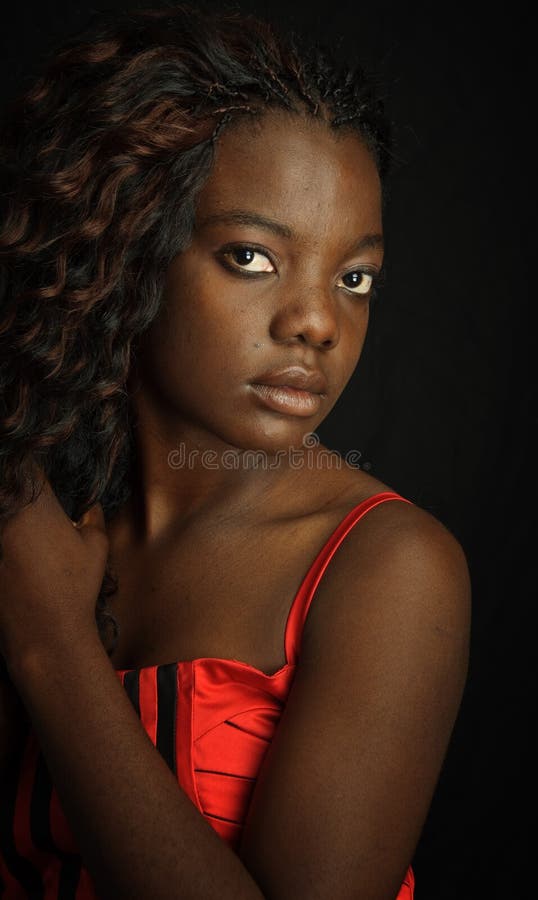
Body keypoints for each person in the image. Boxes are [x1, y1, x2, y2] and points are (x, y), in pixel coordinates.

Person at [0, 3, 471, 898]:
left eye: (355, 277)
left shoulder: (389, 568)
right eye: (253, 257)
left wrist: (52, 645)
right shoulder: (39, 518)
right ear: (128, 248)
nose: (317, 322)